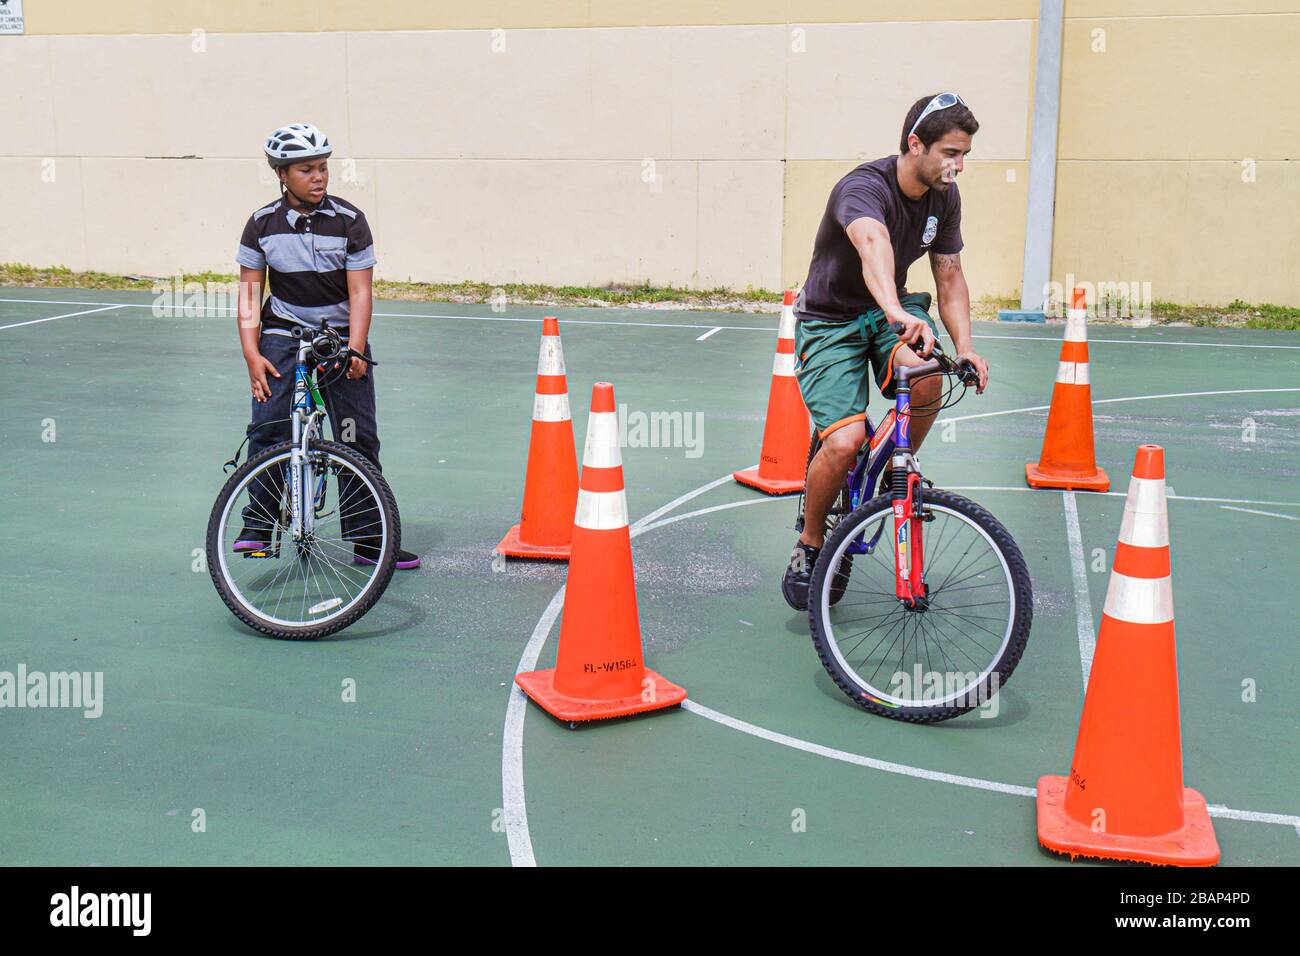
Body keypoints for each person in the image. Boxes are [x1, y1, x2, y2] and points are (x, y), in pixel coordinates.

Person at [781, 93, 991, 609]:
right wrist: (898, 311)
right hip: (830, 321)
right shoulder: (862, 188)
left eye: (964, 154)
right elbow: (873, 244)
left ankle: (890, 475)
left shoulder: (946, 198)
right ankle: (810, 542)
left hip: (885, 314)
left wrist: (965, 346)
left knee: (928, 372)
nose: (957, 166)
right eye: (948, 152)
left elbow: (949, 274)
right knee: (845, 441)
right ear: (914, 144)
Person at [232, 123, 420, 569]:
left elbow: (360, 292)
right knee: (269, 427)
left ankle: (370, 541)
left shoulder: (350, 221)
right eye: (306, 170)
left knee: (357, 437)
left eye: (323, 168)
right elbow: (248, 295)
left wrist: (355, 348)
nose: (319, 177)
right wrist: (251, 354)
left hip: (338, 336)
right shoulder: (261, 225)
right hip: (283, 331)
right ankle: (259, 525)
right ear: (282, 174)